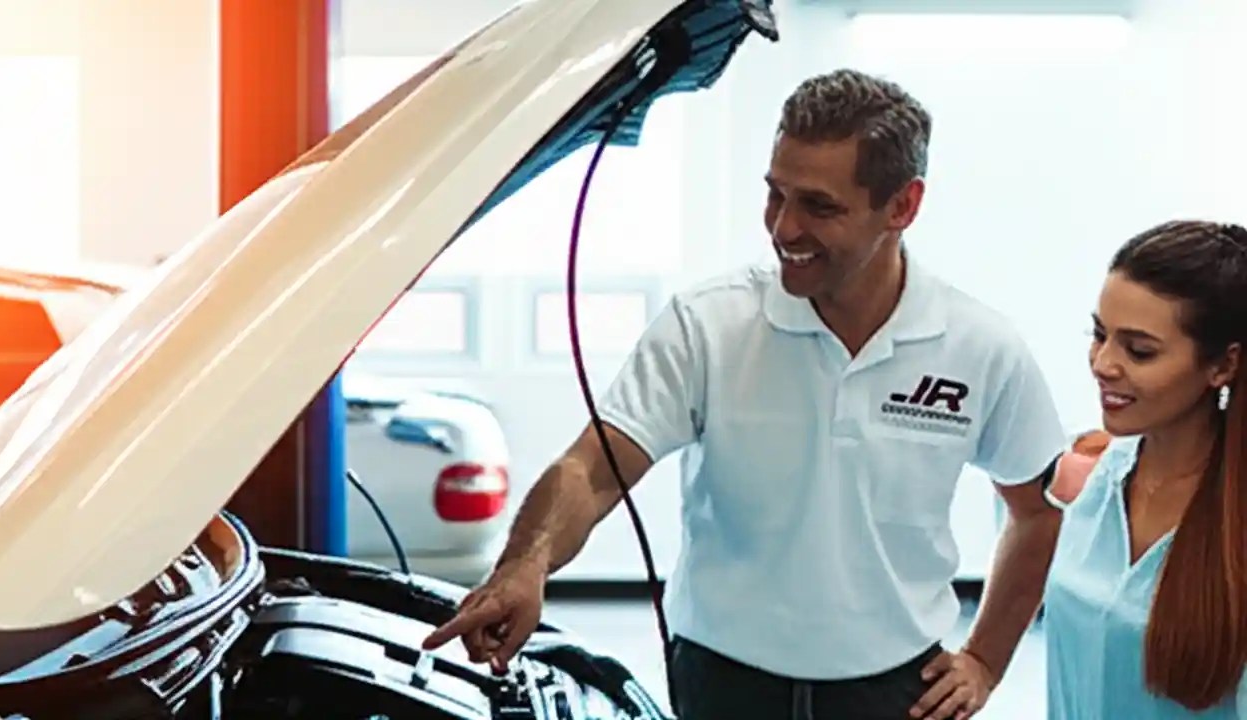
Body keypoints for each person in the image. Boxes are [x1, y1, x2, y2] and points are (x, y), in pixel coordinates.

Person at [422, 68, 1068, 720]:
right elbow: (592, 470)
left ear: (902, 206)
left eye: (820, 206)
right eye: (775, 195)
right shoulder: (709, 325)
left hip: (898, 690)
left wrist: (985, 660)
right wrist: (524, 567)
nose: (784, 228)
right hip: (722, 684)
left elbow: (1038, 509)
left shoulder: (979, 347)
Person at [1043, 220, 1247, 718]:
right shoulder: (1097, 480)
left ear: (1222, 366)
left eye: (1139, 351)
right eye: (1099, 334)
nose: (1102, 363)